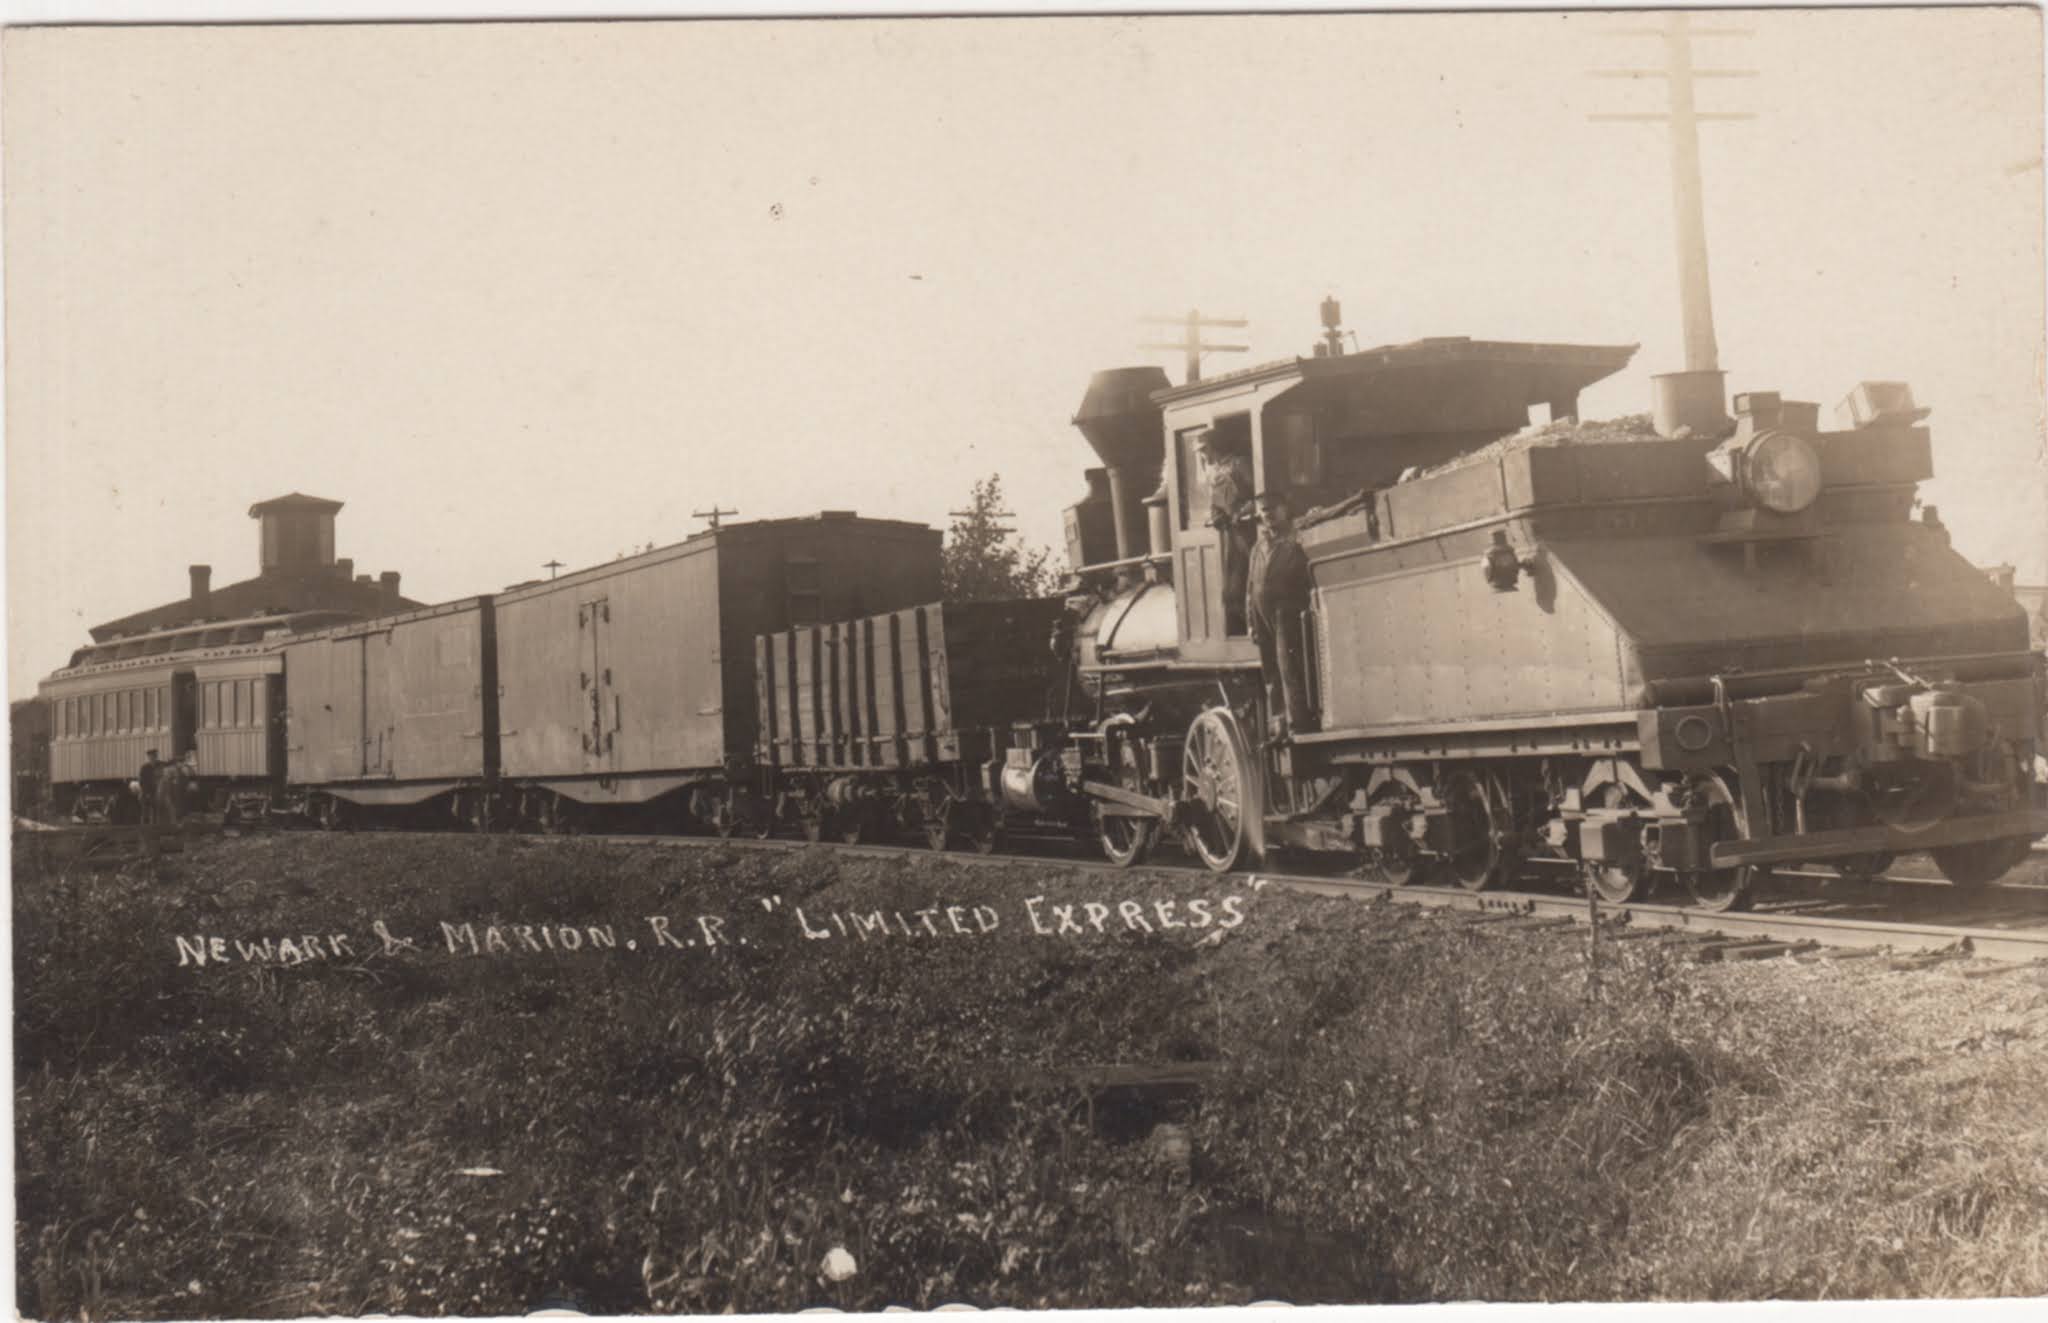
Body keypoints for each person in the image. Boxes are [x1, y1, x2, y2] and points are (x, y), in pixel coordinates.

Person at [1248, 488, 1315, 741]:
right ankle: (1278, 722)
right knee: (1270, 670)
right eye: (1264, 511)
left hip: (1287, 611)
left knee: (1288, 667)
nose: (1269, 516)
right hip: (1262, 615)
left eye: (1273, 510)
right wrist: (1251, 622)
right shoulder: (1258, 547)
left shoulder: (1296, 542)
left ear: (1284, 510)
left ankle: (1297, 720)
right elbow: (1249, 588)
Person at [1198, 428, 1255, 635]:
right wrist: (1217, 515)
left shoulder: (1239, 464)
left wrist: (1243, 512)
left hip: (1248, 529)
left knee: (1253, 575)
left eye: (1204, 449)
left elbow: (1258, 494)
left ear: (1214, 446)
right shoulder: (1212, 472)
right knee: (1232, 586)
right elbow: (1216, 503)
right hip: (1230, 533)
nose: (1203, 454)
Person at [138, 749, 164, 825]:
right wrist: (147, 793)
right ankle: (144, 827)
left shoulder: (160, 765)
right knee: (145, 811)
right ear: (149, 757)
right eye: (151, 757)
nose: (153, 758)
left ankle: (156, 826)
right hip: (147, 792)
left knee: (157, 811)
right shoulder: (144, 768)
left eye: (154, 756)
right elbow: (142, 782)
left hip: (156, 791)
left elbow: (167, 765)